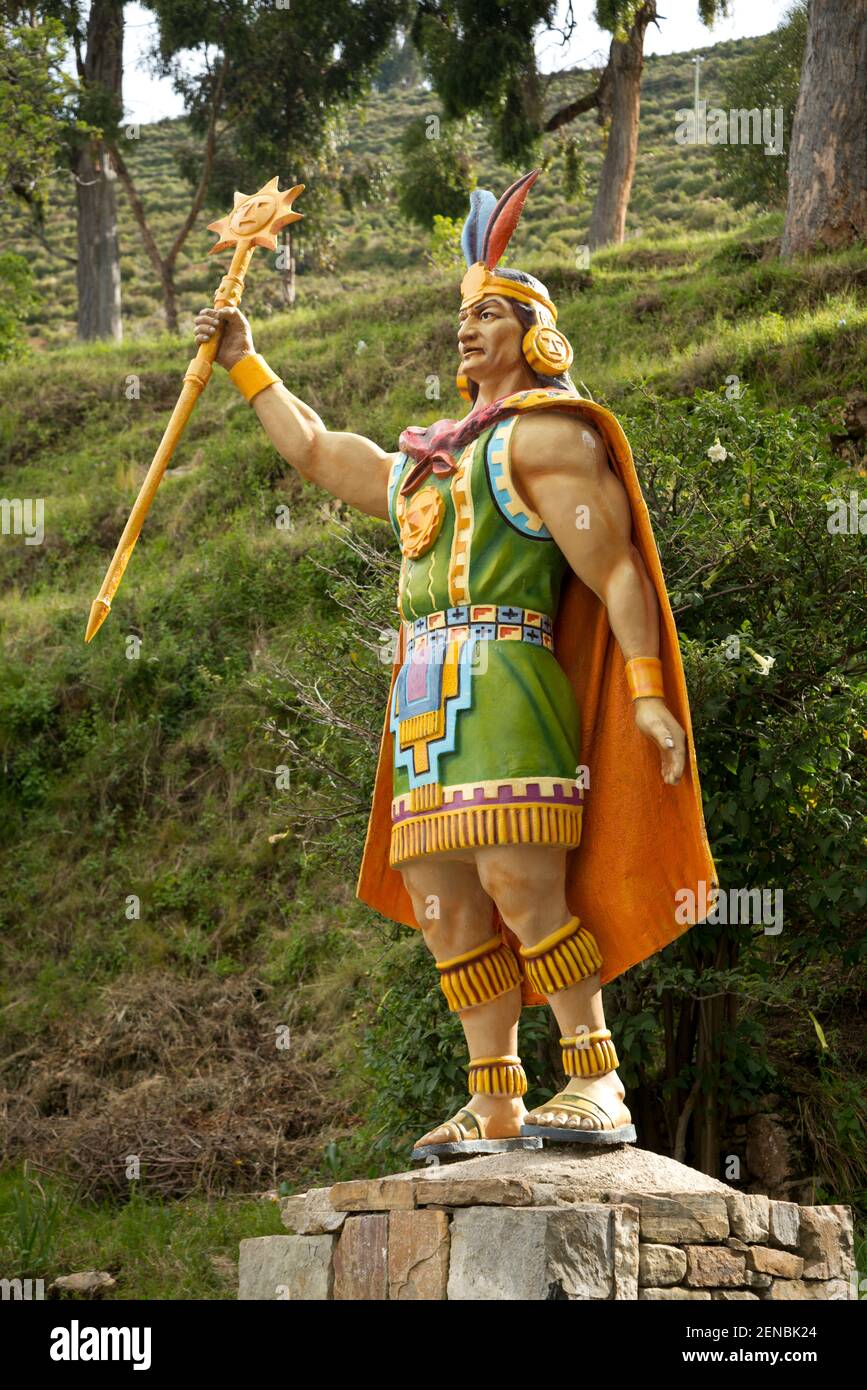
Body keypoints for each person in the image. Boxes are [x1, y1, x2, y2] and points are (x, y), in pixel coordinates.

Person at [194, 170, 719, 1155]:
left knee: (525, 886)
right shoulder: (425, 463)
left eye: (489, 314)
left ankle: (595, 1074)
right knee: (446, 904)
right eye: (463, 316)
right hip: (422, 696)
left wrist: (648, 692)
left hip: (510, 680)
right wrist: (246, 364)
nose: (468, 330)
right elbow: (315, 450)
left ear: (537, 333)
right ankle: (496, 1100)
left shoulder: (549, 437)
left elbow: (614, 573)